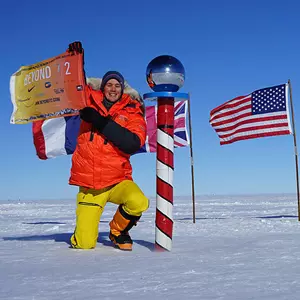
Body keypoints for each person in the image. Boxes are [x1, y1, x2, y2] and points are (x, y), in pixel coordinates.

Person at [67, 41, 149, 251]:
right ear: (103, 87)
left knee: (138, 201)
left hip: (117, 181)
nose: (113, 88)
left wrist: (100, 122)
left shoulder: (132, 112)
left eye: (117, 85)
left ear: (122, 89)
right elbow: (72, 84)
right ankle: (83, 231)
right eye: (109, 84)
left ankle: (117, 230)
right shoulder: (86, 101)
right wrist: (75, 60)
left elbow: (132, 143)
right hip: (90, 184)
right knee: (84, 245)